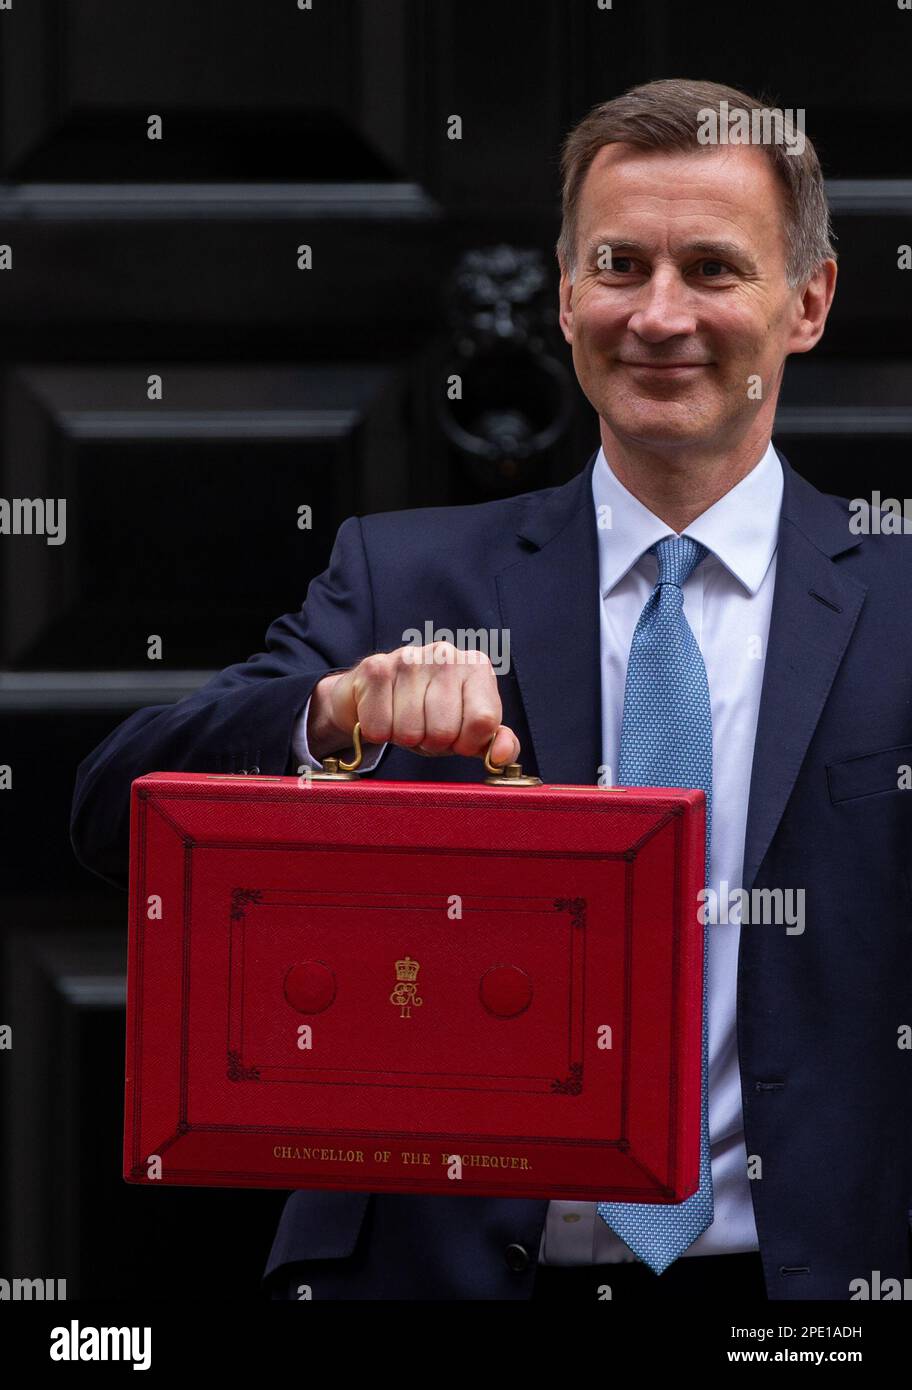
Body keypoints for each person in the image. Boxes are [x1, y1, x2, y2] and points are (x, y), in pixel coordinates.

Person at [70, 78, 911, 1302]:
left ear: (809, 302)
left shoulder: (898, 601)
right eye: (620, 265)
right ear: (568, 296)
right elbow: (111, 813)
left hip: (804, 1291)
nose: (658, 315)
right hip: (444, 1280)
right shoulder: (400, 572)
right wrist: (333, 714)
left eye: (715, 269)